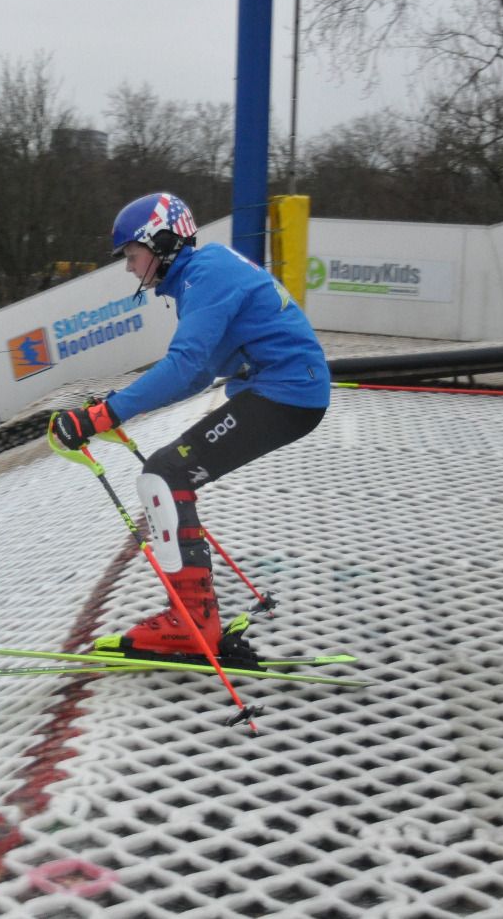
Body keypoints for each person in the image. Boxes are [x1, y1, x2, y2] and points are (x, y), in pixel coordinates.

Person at [51, 193, 330, 656]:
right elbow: (199, 373)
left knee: (165, 474)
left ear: (161, 242)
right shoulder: (200, 276)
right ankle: (194, 617)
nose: (128, 267)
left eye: (131, 254)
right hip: (287, 392)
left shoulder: (208, 273)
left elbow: (185, 367)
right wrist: (116, 410)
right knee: (168, 472)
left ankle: (191, 623)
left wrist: (103, 414)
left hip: (286, 394)